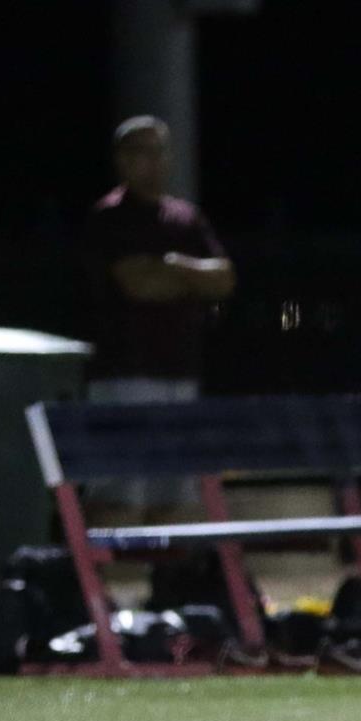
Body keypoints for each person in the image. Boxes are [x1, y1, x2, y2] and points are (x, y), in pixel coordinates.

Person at [82, 116, 235, 523]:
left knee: (172, 493)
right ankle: (103, 582)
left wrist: (172, 265)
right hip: (124, 375)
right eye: (138, 152)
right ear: (121, 159)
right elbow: (138, 285)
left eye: (157, 150)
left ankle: (164, 584)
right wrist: (192, 280)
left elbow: (223, 279)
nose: (150, 161)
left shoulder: (186, 219)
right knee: (118, 492)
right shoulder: (110, 218)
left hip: (179, 370)